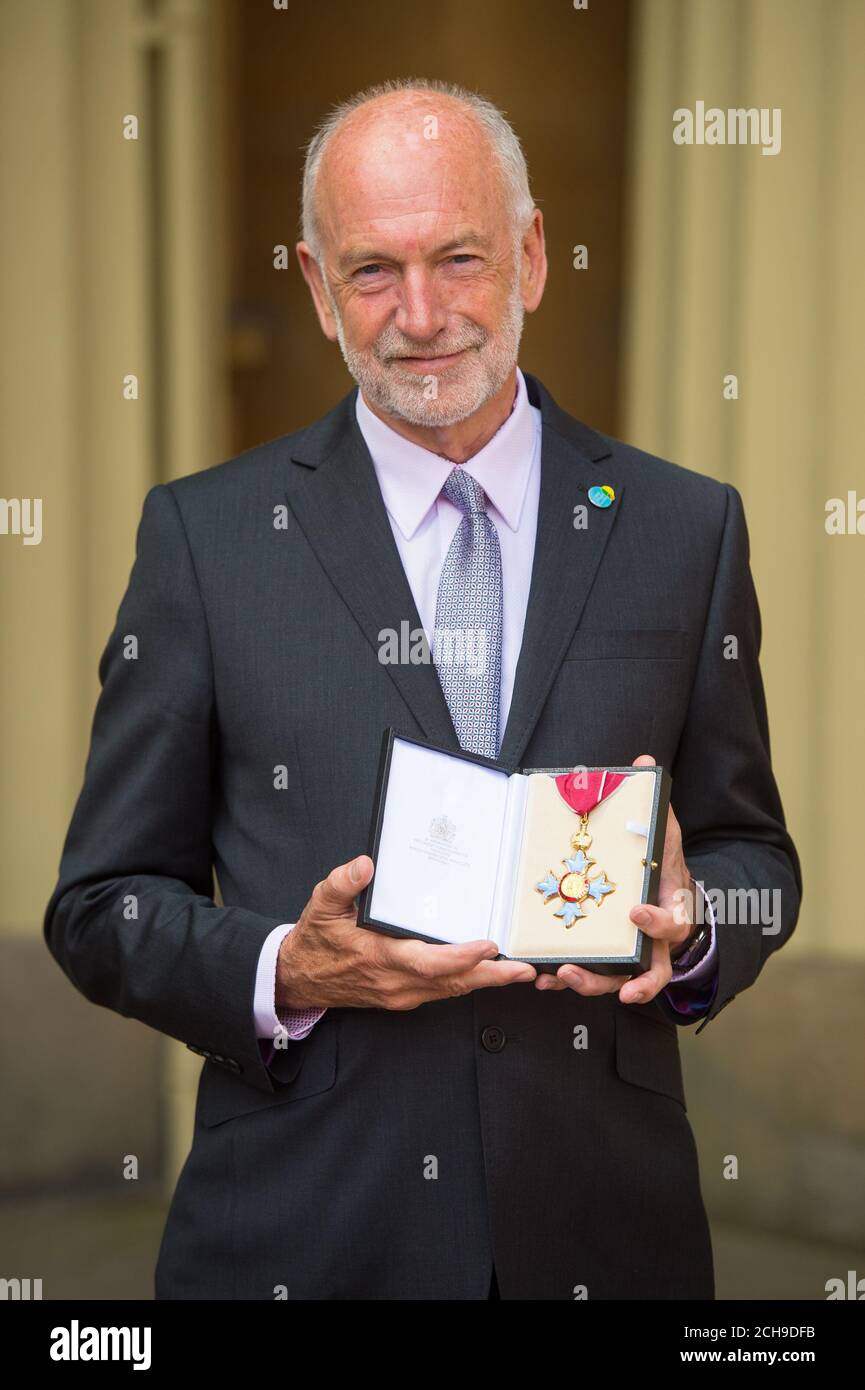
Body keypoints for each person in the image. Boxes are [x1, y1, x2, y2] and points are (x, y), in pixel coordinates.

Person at [44, 78, 801, 1300]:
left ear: (532, 254)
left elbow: (754, 853)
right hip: (306, 1231)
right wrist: (290, 968)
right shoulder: (208, 538)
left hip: (606, 1238)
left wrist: (699, 922)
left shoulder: (683, 529)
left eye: (459, 257)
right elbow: (99, 906)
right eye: (373, 271)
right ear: (311, 282)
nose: (423, 314)